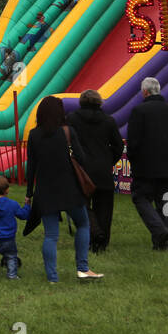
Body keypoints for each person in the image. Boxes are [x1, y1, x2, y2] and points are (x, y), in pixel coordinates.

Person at [24, 95, 102, 282]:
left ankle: (52, 277)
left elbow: (31, 167)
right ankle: (82, 268)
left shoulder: (34, 135)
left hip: (45, 190)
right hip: (70, 189)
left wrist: (28, 194)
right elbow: (81, 158)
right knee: (83, 224)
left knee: (51, 235)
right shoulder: (67, 132)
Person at [125, 76, 168, 251]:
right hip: (167, 166)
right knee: (166, 201)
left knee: (141, 198)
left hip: (144, 167)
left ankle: (160, 231)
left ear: (144, 92)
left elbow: (133, 141)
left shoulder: (139, 111)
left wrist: (133, 159)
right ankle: (163, 243)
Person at [65, 89, 124, 252]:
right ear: (99, 102)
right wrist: (109, 160)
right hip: (103, 169)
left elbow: (65, 141)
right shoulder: (109, 121)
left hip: (81, 169)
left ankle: (94, 231)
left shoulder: (72, 119)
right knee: (104, 207)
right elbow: (118, 146)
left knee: (81, 204)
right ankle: (101, 242)